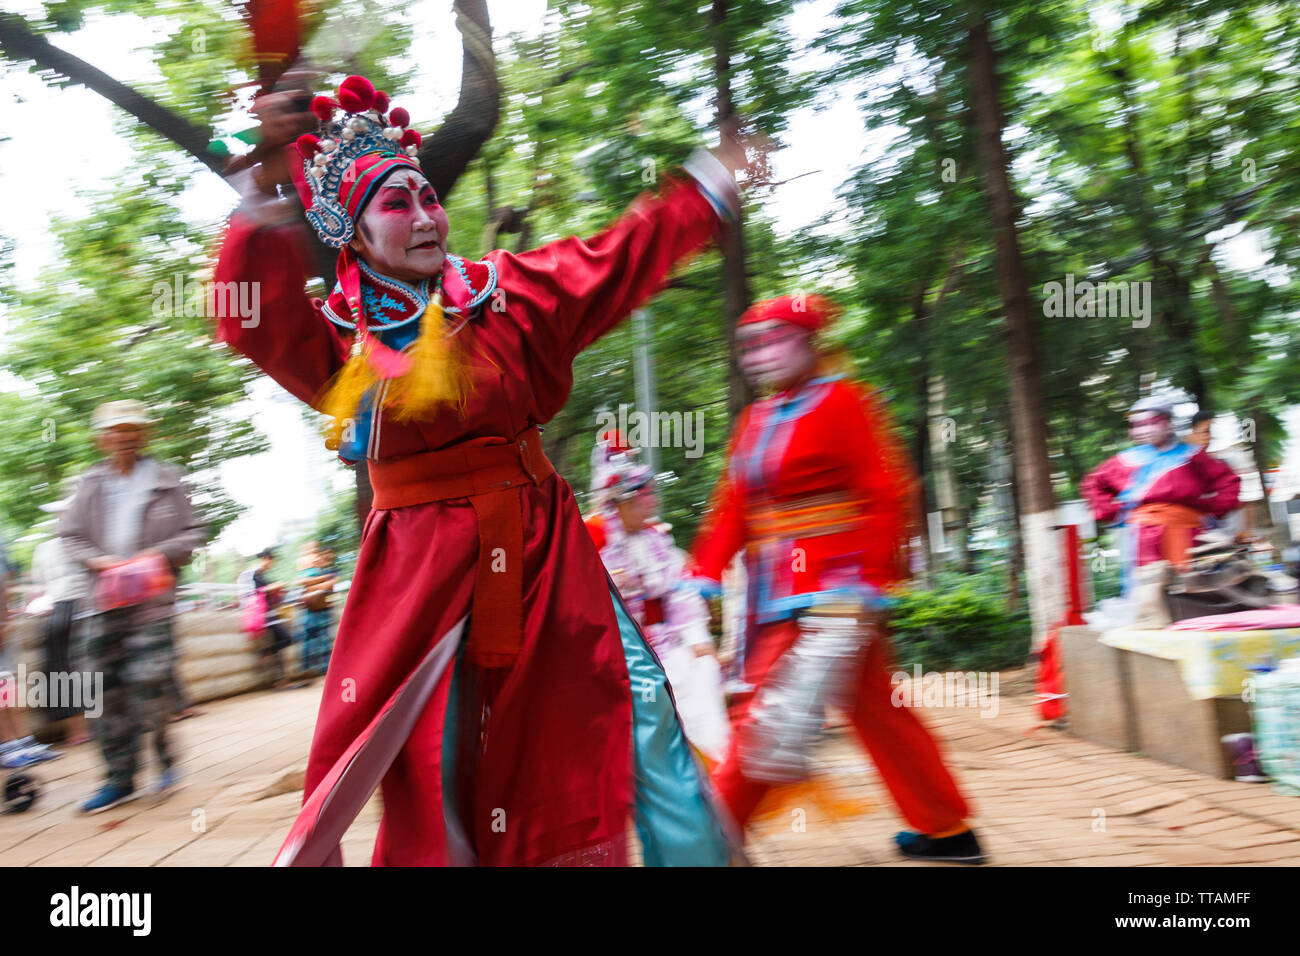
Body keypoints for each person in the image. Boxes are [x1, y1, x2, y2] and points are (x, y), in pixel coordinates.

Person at [212, 73, 757, 866]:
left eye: (427, 197)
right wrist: (259, 178)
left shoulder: (511, 293)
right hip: (420, 578)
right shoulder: (336, 340)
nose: (427, 215)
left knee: (642, 715)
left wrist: (707, 187)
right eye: (396, 206)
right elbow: (244, 313)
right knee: (443, 760)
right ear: (354, 238)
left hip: (544, 555)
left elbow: (616, 256)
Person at [687, 295, 984, 864]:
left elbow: (887, 492)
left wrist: (871, 579)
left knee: (769, 713)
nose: (761, 355)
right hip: (779, 588)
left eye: (775, 340)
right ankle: (947, 830)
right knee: (879, 712)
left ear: (808, 342)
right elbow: (734, 508)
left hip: (835, 592)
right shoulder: (754, 420)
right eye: (752, 345)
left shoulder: (845, 402)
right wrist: (702, 570)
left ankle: (703, 845)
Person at [59, 400, 204, 813]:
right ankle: (118, 779)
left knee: (149, 683)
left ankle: (164, 755)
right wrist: (99, 561)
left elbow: (191, 535)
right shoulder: (87, 484)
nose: (124, 436)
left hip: (150, 605)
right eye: (115, 430)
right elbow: (70, 537)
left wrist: (154, 557)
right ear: (102, 439)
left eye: (132, 429)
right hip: (101, 604)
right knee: (99, 693)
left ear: (144, 434)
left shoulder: (167, 479)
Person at [588, 437, 731, 764]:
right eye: (642, 497)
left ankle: (711, 771)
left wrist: (698, 639)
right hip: (615, 655)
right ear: (619, 502)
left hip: (665, 647)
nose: (650, 504)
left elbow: (681, 593)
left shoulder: (656, 540)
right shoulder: (590, 539)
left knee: (701, 671)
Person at [1081, 397, 1240, 592]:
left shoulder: (1191, 455)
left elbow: (1228, 481)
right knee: (1149, 592)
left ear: (1168, 424)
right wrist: (1116, 512)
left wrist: (1210, 511)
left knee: (1194, 588)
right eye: (1137, 424)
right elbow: (1093, 483)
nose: (1144, 429)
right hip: (1143, 537)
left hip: (1189, 532)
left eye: (1151, 422)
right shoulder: (1124, 460)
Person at [31, 501, 93, 745]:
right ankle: (90, 727)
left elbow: (41, 585)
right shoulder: (86, 541)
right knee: (88, 668)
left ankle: (77, 731)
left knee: (60, 670)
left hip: (59, 609)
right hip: (86, 607)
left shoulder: (44, 548)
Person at [297, 545, 337, 677]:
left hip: (322, 607)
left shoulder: (326, 570)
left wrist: (313, 586)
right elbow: (302, 582)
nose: (314, 557)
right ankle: (309, 668)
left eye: (315, 553)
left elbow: (329, 584)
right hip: (311, 609)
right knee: (310, 638)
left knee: (323, 637)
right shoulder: (311, 571)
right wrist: (321, 581)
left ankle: (324, 668)